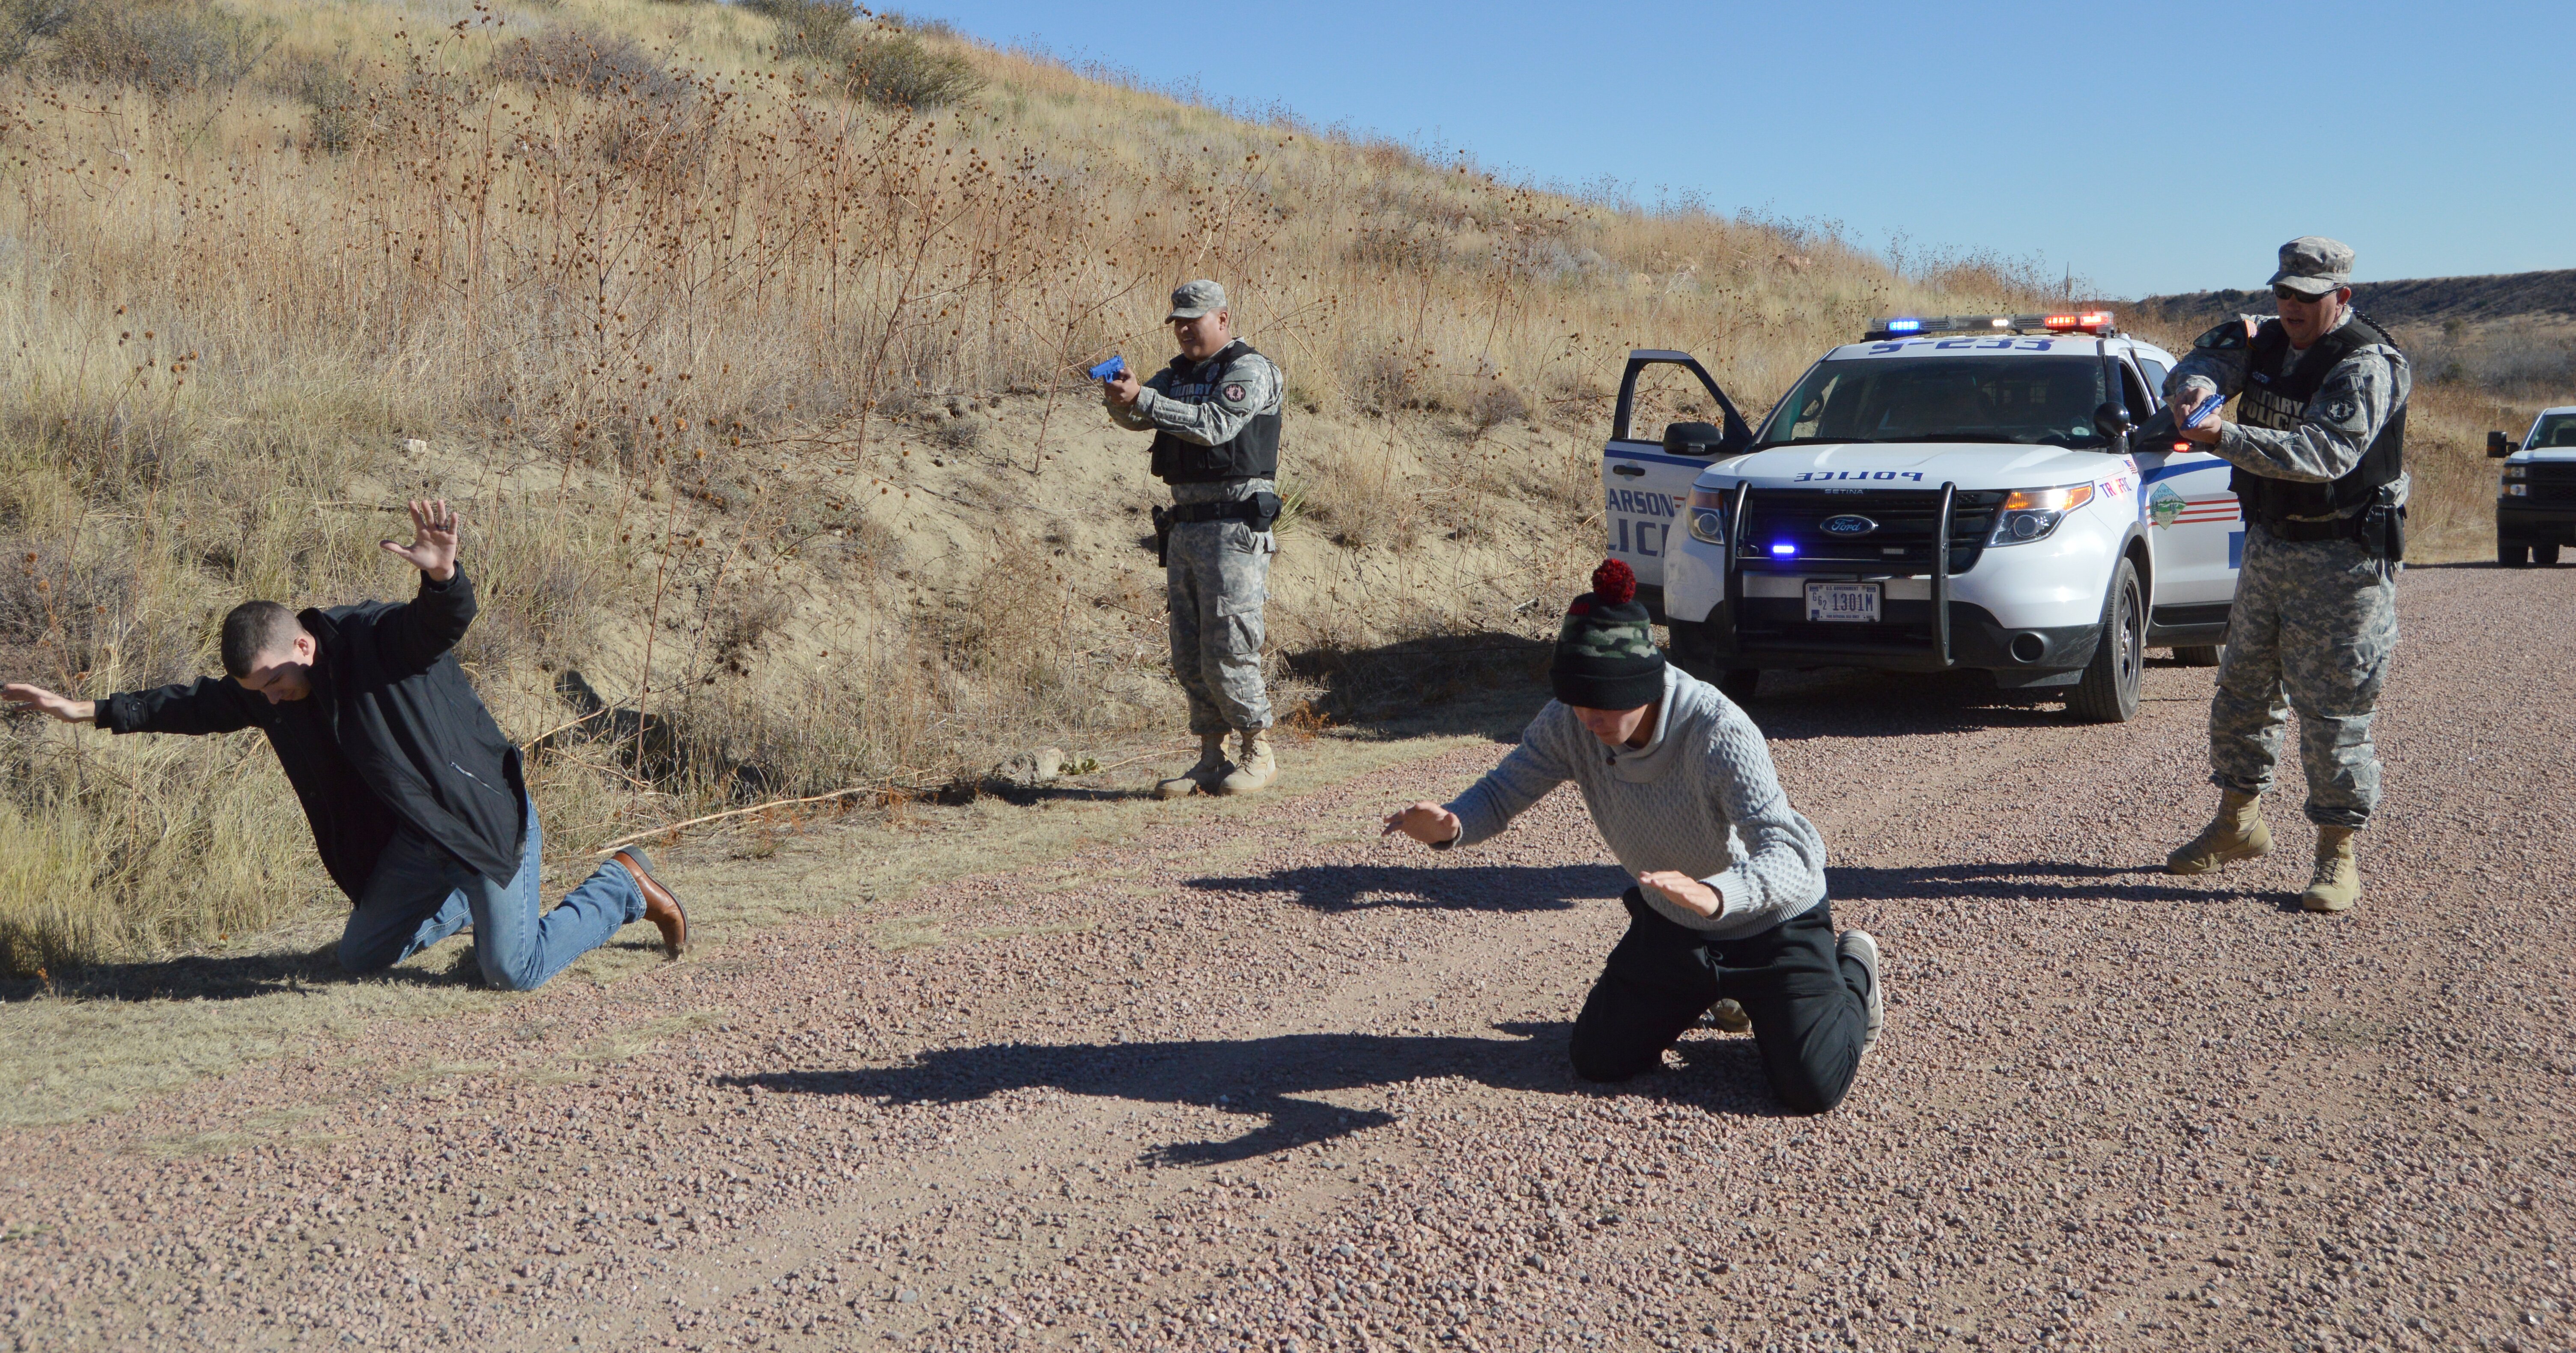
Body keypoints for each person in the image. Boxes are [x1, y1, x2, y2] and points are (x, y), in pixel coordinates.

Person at [2, 501, 690, 987]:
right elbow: (193, 705)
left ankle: (620, 886)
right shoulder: (273, 687)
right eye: (258, 691)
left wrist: (443, 578)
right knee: (360, 958)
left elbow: (436, 626)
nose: (267, 699)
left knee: (514, 972)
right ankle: (474, 910)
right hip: (420, 846)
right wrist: (87, 710)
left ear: (302, 645)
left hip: (477, 820)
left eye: (272, 683)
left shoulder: (374, 641)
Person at [1380, 559, 1882, 1113]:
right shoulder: (1569, 721)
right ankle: (1724, 992)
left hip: (1772, 921)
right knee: (1598, 1060)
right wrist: (1453, 824)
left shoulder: (1719, 732)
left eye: (1603, 699)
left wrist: (1719, 895)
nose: (1588, 716)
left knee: (1812, 1087)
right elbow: (1502, 793)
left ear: (1645, 685)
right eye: (1575, 696)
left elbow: (1790, 856)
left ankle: (1852, 967)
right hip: (1678, 922)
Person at [2161, 237, 2411, 914]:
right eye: (2284, 293)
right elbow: (2198, 363)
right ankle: (2238, 824)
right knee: (2242, 691)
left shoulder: (2367, 364)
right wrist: (2198, 389)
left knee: (2333, 710)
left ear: (2342, 297)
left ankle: (2337, 854)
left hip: (2345, 558)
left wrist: (2221, 437)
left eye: (2307, 296)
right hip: (2272, 544)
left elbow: (2323, 453)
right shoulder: (2265, 340)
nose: (2292, 306)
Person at [1103, 279, 1286, 799]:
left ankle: (1258, 750)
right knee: (1188, 649)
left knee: (1231, 642)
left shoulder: (1249, 370)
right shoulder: (1176, 373)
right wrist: (1121, 397)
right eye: (1178, 320)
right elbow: (1138, 417)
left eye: (1195, 319)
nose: (1184, 329)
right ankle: (1211, 756)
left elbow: (1214, 426)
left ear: (1222, 319)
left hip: (1234, 528)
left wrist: (1147, 399)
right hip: (1186, 527)